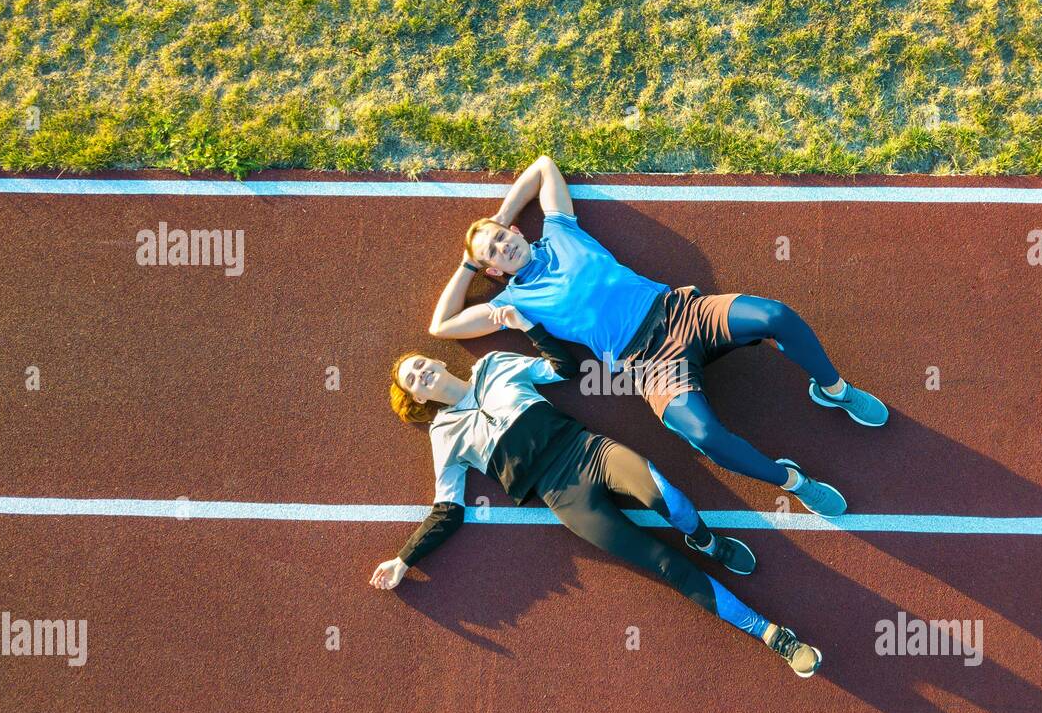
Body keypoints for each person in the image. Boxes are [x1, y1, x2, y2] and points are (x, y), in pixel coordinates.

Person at [370, 305, 823, 678]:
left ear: (437, 361)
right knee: (664, 565)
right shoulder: (443, 435)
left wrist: (529, 326)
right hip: (563, 498)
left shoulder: (494, 366)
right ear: (418, 399)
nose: (421, 375)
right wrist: (403, 558)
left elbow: (562, 369)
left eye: (419, 365)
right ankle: (771, 634)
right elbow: (447, 509)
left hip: (587, 450)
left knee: (673, 500)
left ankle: (707, 540)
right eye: (412, 380)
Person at [426, 155, 889, 518]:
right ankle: (793, 481)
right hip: (648, 363)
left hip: (680, 312)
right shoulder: (514, 304)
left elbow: (544, 166)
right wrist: (468, 266)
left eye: (501, 237)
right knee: (706, 435)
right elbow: (441, 326)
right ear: (494, 269)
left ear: (513, 231)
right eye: (493, 253)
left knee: (776, 315)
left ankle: (835, 391)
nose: (504, 245)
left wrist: (498, 215)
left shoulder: (559, 230)